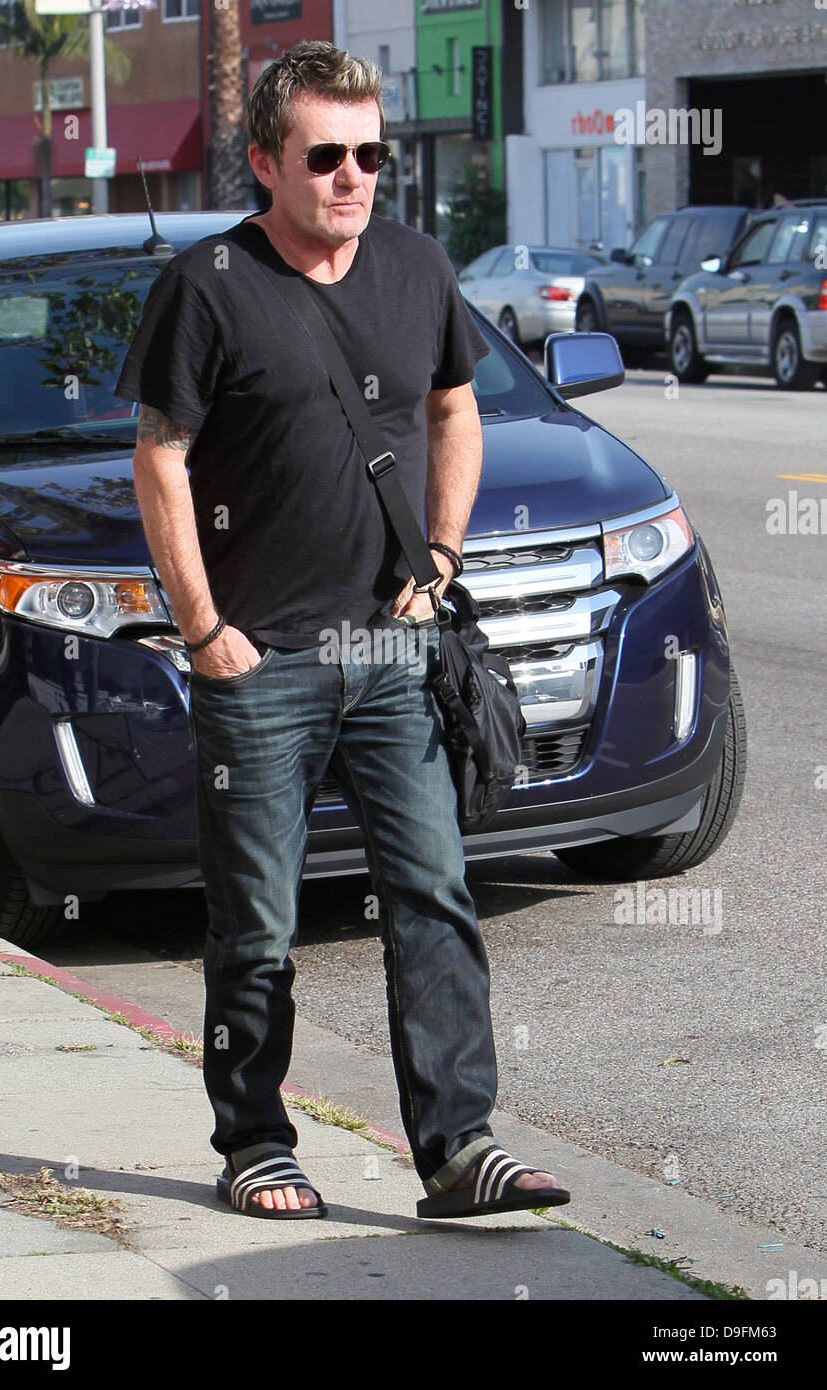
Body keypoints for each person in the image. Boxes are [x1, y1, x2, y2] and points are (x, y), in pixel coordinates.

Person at [115, 39, 570, 1222]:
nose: (355, 176)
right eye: (326, 156)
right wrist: (203, 625)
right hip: (258, 656)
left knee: (431, 893)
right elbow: (158, 458)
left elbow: (454, 407)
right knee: (256, 916)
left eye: (370, 153)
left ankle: (457, 1146)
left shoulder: (416, 268)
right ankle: (256, 1141)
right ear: (266, 160)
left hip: (392, 647)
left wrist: (442, 557)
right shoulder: (208, 285)